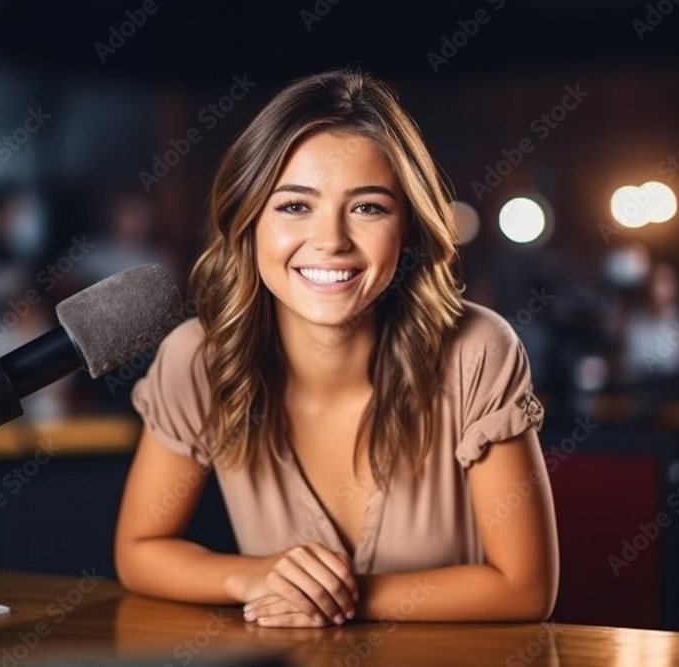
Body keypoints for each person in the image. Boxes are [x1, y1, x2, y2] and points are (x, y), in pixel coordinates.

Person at [114, 68, 559, 627]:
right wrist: (252, 575)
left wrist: (337, 598)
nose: (330, 240)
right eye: (294, 206)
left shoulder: (478, 350)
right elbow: (140, 550)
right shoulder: (198, 357)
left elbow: (525, 589)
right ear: (248, 222)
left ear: (410, 228)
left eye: (368, 207)